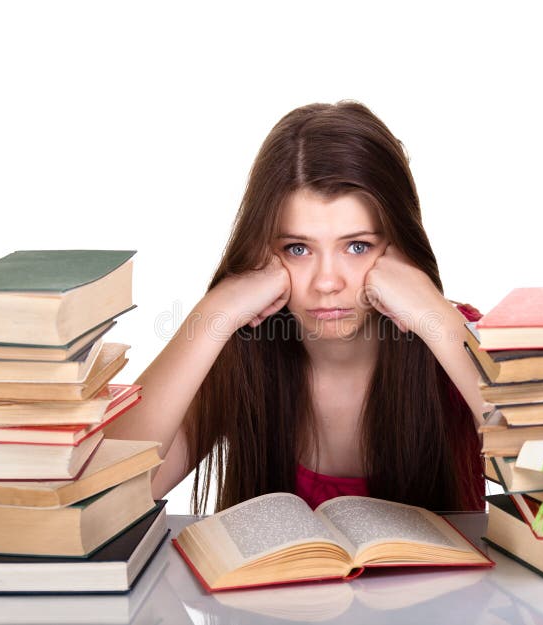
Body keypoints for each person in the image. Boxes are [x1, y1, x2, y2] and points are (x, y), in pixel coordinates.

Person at [106, 100, 488, 514]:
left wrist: (437, 321)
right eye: (298, 248)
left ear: (400, 247)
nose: (327, 282)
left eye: (357, 246)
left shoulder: (457, 338)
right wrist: (215, 312)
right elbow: (110, 498)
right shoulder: (242, 354)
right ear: (264, 252)